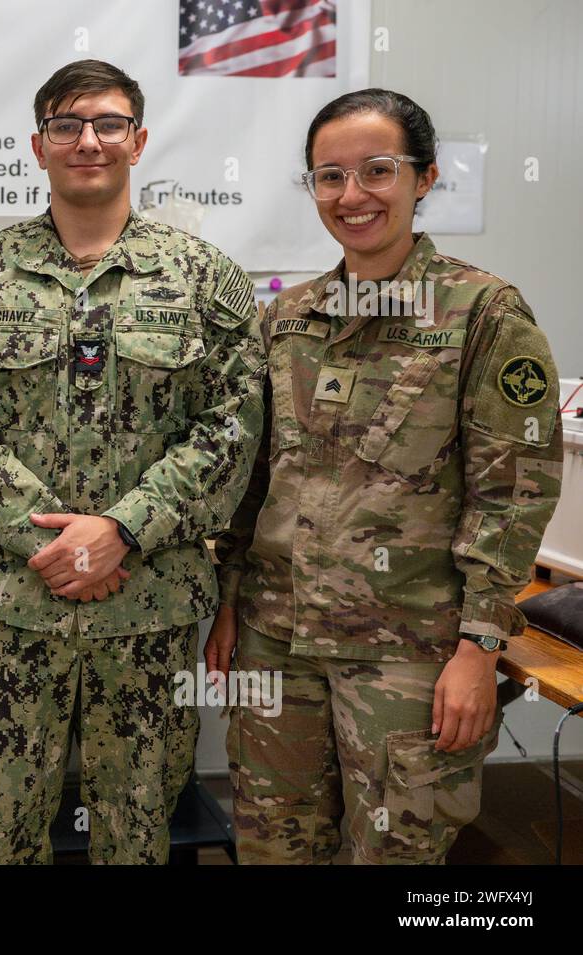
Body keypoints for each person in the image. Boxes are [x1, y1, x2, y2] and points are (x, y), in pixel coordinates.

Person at [0, 59, 266, 864]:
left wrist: (120, 530)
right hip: (11, 599)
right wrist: (55, 544)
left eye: (109, 124)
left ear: (139, 141)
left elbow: (233, 430)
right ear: (37, 146)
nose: (89, 141)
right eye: (67, 125)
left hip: (145, 605)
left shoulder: (205, 279)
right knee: (3, 833)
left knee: (138, 834)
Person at [210, 88, 564, 864]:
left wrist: (479, 646)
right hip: (277, 639)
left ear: (425, 177)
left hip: (409, 650)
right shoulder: (287, 317)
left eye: (377, 170)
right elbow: (250, 475)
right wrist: (231, 597)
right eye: (328, 177)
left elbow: (515, 491)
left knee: (394, 857)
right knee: (272, 848)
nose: (352, 195)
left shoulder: (483, 313)